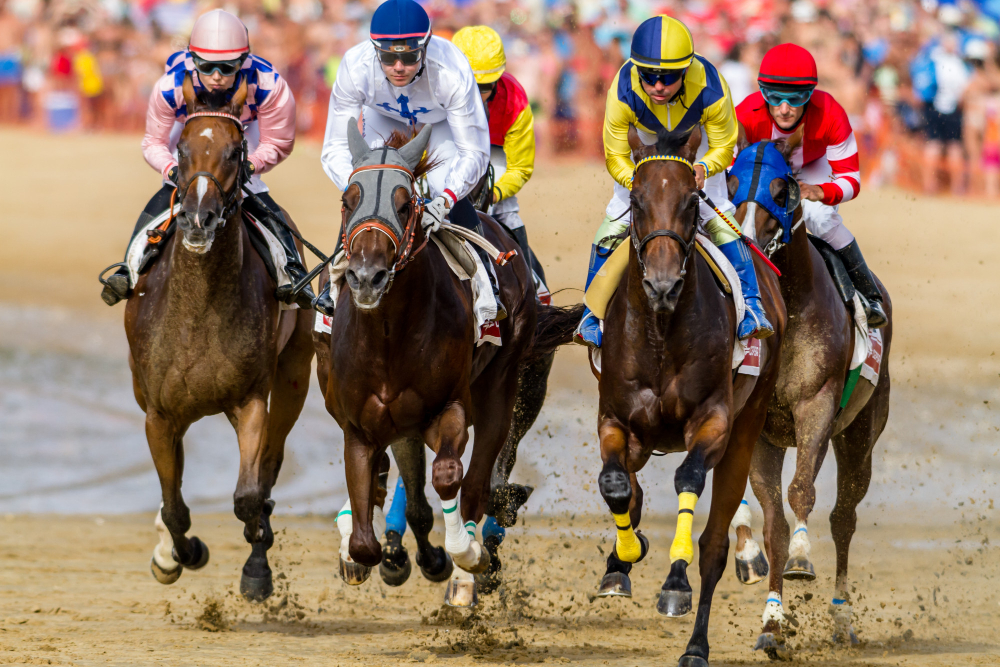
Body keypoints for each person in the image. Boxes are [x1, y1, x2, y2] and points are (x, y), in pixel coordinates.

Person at [575, 15, 774, 349]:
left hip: (696, 144)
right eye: (648, 76)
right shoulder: (622, 88)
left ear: (686, 69)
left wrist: (705, 169)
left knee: (720, 216)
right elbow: (615, 155)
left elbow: (726, 144)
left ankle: (751, 306)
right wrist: (638, 184)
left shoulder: (711, 87)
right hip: (646, 144)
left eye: (668, 77)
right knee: (615, 218)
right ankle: (591, 315)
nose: (657, 86)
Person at [100, 9, 316, 310]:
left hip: (245, 131)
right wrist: (173, 171)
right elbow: (154, 142)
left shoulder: (270, 85)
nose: (216, 77)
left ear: (243, 62)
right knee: (168, 192)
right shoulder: (170, 86)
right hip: (189, 126)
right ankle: (129, 267)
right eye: (206, 66)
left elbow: (278, 142)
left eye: (227, 68)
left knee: (254, 191)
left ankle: (291, 270)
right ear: (192, 60)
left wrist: (250, 166)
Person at [316, 0, 502, 320]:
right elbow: (333, 147)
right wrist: (363, 186)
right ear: (375, 50)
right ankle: (332, 287)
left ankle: (488, 287)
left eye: (409, 56)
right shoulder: (355, 66)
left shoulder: (452, 71)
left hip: (439, 124)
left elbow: (475, 152)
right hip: (382, 118)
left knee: (445, 182)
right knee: (367, 193)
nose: (398, 67)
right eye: (388, 57)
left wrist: (445, 200)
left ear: (426, 47)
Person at [736, 42, 887, 328]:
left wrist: (820, 191)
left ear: (810, 94)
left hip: (813, 167)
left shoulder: (831, 112)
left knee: (819, 217)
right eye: (775, 97)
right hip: (764, 171)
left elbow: (851, 180)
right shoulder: (744, 114)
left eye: (795, 99)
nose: (784, 110)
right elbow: (730, 174)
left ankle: (869, 294)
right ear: (762, 92)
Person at [451, 26, 535, 255]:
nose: (474, 96)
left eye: (482, 88)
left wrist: (494, 193)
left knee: (507, 210)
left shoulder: (514, 99)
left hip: (494, 154)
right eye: (468, 85)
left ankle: (533, 286)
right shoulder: (435, 89)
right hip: (450, 151)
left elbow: (520, 167)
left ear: (497, 80)